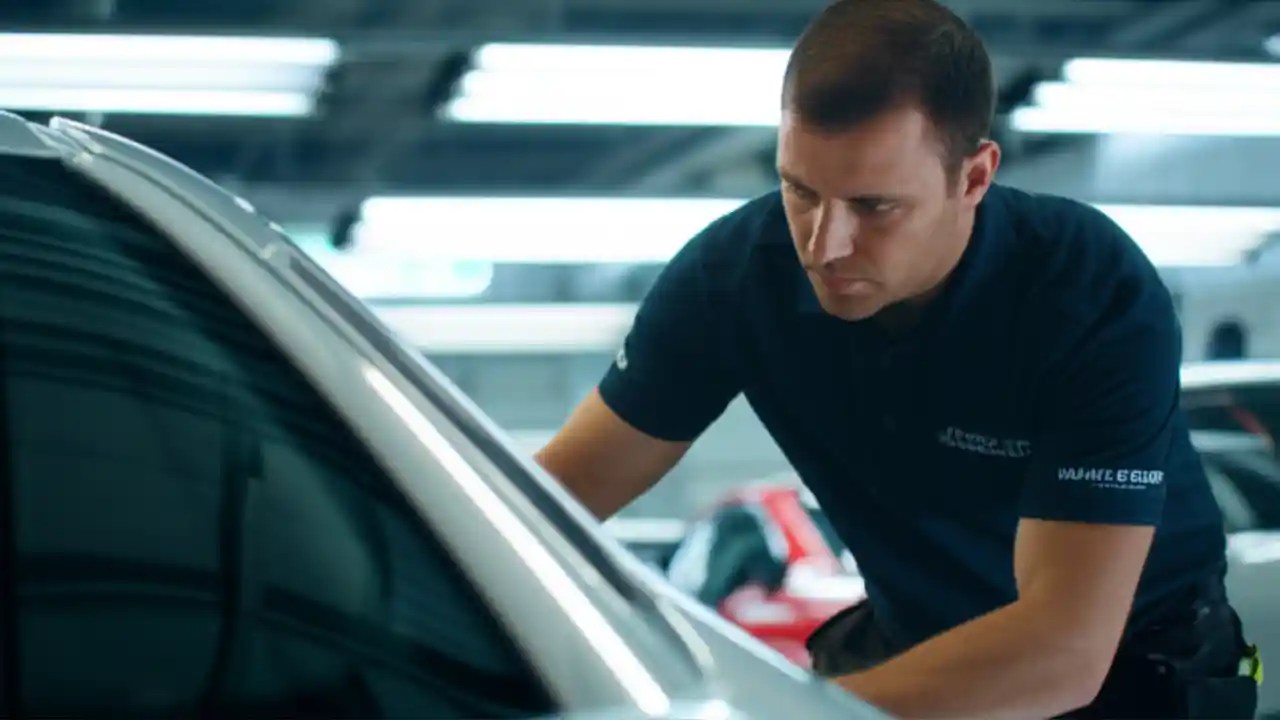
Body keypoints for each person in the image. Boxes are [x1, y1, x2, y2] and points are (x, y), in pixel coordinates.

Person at [534, 0, 1261, 717]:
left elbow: (1062, 651)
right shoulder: (735, 278)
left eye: (875, 207)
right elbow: (541, 508)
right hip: (922, 649)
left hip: (1126, 674)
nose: (824, 246)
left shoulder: (1084, 289)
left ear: (973, 178)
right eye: (799, 191)